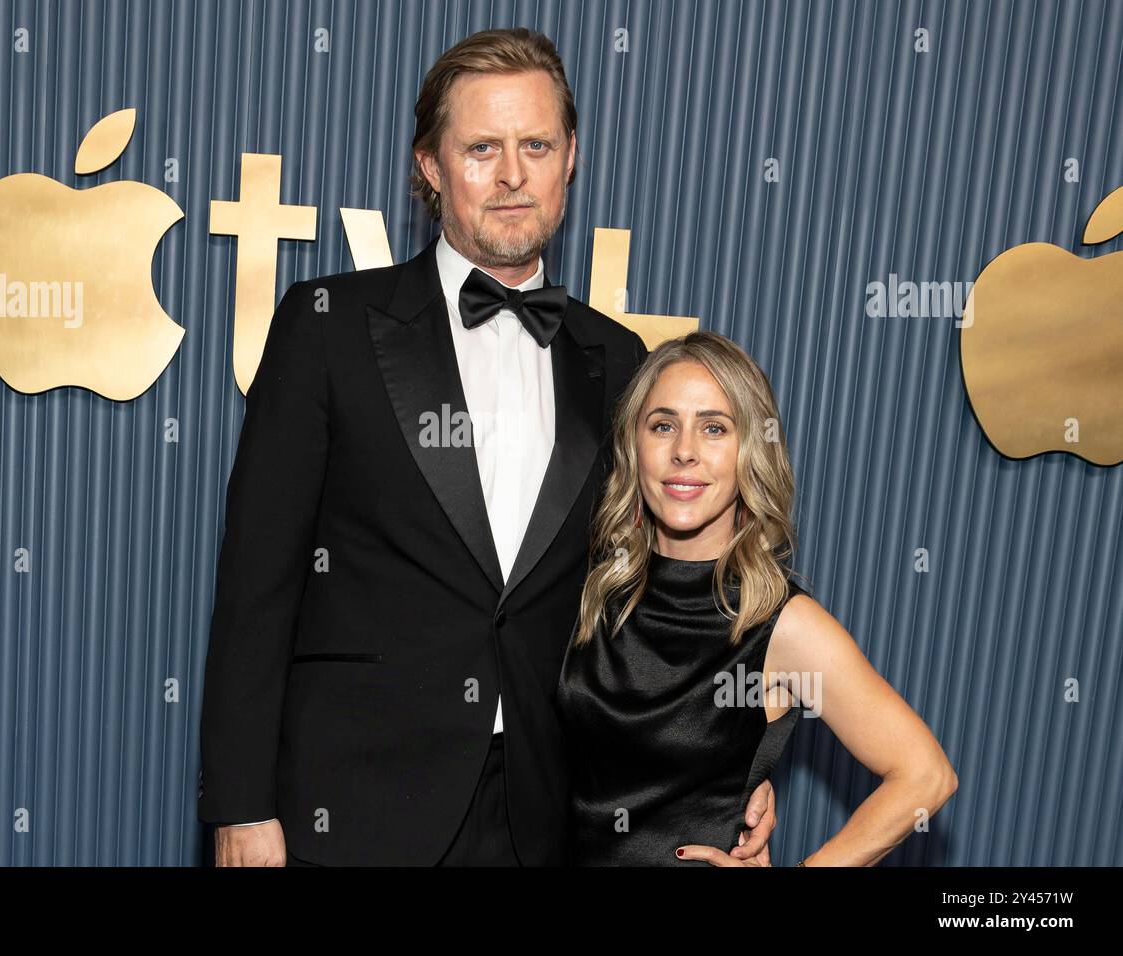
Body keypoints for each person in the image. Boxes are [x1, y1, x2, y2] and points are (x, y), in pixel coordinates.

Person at [198, 28, 780, 866]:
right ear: (430, 168)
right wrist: (242, 807)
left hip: (546, 812)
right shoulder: (328, 327)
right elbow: (257, 585)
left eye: (536, 145)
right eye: (481, 149)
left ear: (570, 158)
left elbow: (665, 604)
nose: (513, 175)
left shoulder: (621, 363)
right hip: (346, 807)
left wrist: (733, 765)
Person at [556, 331, 959, 865]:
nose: (684, 451)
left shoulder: (781, 625)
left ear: (751, 450)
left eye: (715, 428)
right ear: (634, 446)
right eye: (663, 425)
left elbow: (926, 776)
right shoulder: (593, 589)